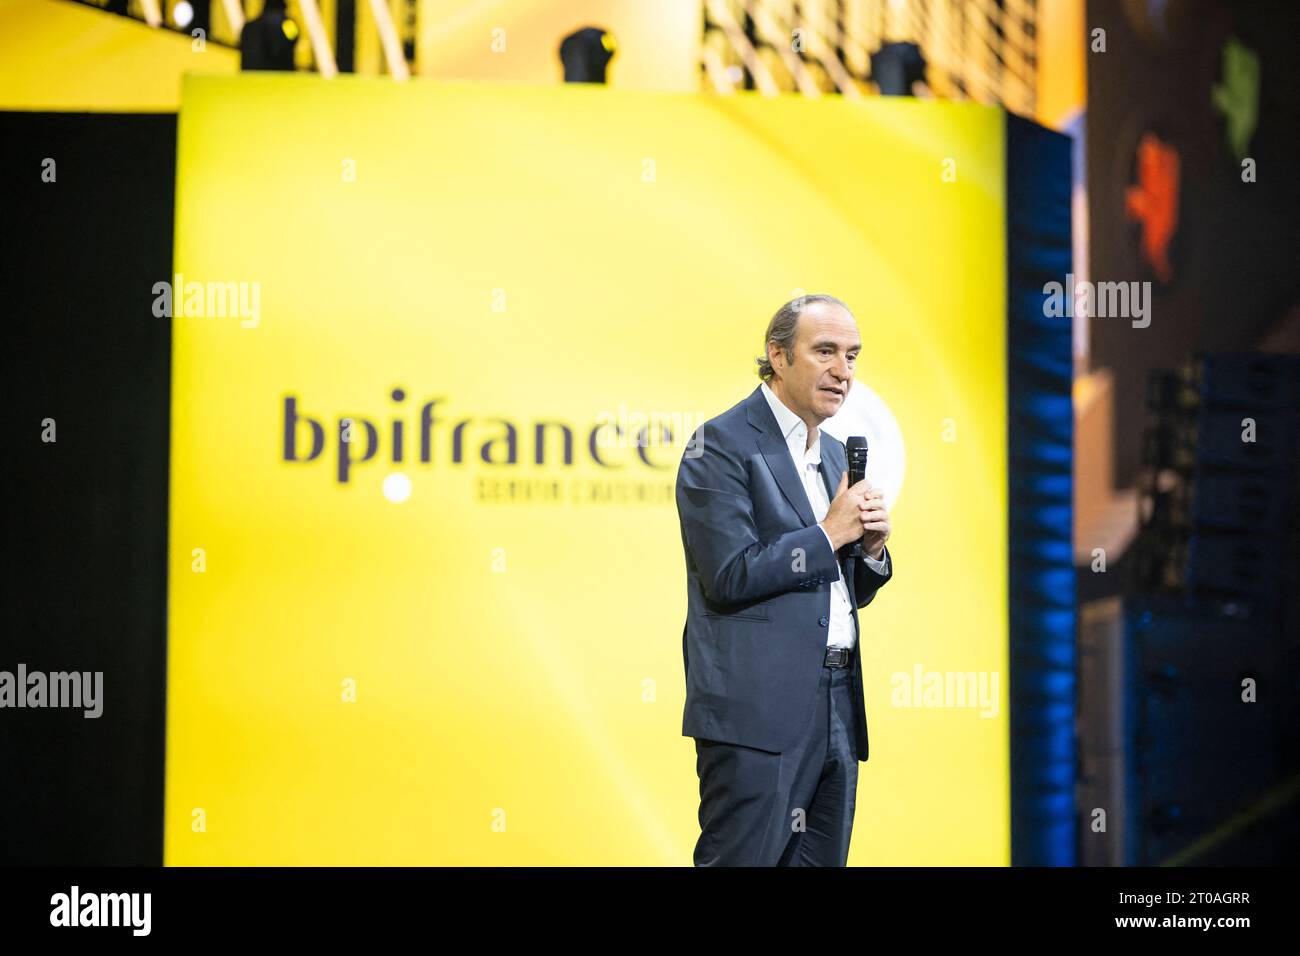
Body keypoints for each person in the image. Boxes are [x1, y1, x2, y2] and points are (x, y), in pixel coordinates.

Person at [675, 293, 893, 866]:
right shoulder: (719, 445)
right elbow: (729, 574)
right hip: (759, 712)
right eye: (825, 352)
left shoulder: (835, 455)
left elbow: (837, 590)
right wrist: (828, 534)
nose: (842, 371)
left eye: (852, 355)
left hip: (838, 706)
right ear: (777, 355)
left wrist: (867, 549)